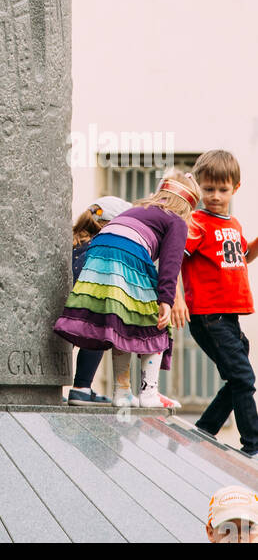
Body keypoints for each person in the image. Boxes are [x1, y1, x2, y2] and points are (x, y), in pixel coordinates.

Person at [53, 175, 200, 408]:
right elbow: (171, 263)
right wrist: (166, 300)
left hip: (98, 251)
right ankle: (149, 393)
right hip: (129, 254)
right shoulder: (177, 221)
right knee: (156, 325)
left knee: (121, 320)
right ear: (188, 207)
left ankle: (122, 392)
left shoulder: (138, 209)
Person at [181, 149, 258, 457]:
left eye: (222, 189)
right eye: (208, 189)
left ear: (235, 188)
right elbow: (175, 258)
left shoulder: (233, 224)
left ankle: (205, 428)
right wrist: (174, 300)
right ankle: (253, 445)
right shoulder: (197, 223)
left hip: (230, 314)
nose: (214, 195)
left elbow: (243, 257)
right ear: (199, 186)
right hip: (208, 314)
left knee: (238, 375)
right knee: (243, 378)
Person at [67, 197, 130, 405]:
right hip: (84, 309)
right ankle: (81, 387)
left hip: (61, 310)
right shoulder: (102, 247)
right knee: (99, 326)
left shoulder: (74, 244)